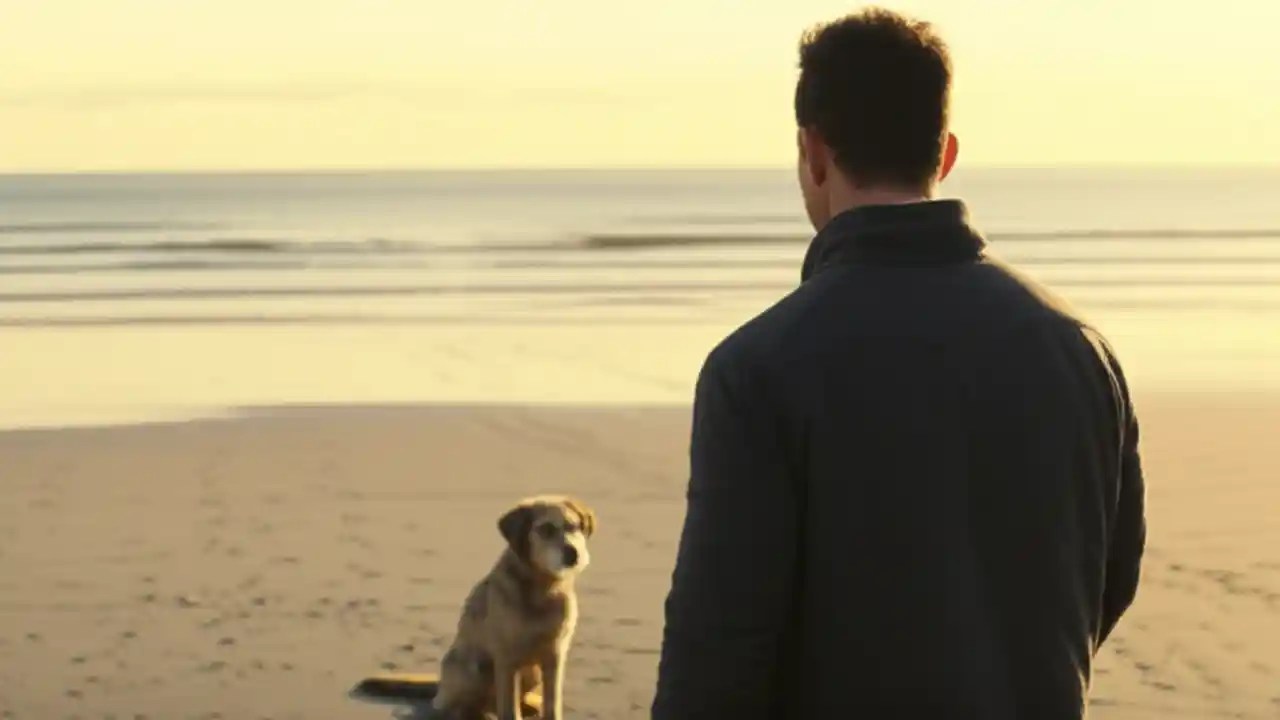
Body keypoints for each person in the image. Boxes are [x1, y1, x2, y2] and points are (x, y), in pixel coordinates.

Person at [650, 7, 1146, 719]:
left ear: (813, 153)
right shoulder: (1077, 349)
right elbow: (1108, 580)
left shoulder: (758, 368)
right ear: (944, 154)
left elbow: (718, 647)